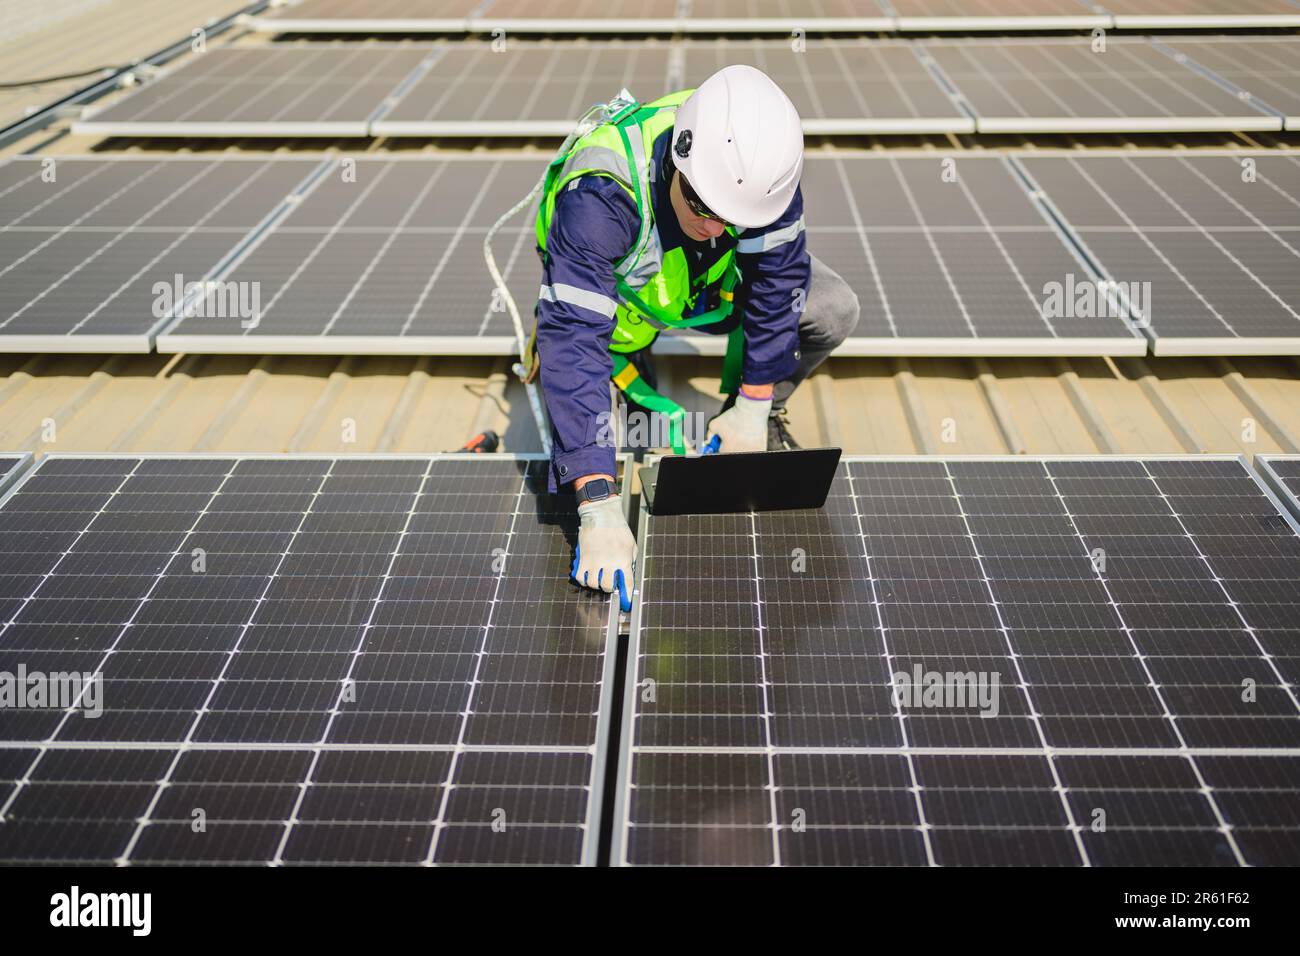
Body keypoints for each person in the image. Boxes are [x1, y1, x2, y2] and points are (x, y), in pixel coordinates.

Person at [530, 65, 860, 609]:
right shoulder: (602, 194)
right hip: (616, 315)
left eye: (733, 220)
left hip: (706, 293)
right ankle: (622, 391)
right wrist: (595, 500)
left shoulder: (762, 174)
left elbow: (778, 285)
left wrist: (754, 404)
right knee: (599, 430)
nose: (714, 227)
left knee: (830, 307)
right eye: (703, 207)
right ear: (678, 160)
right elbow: (573, 337)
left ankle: (752, 416)